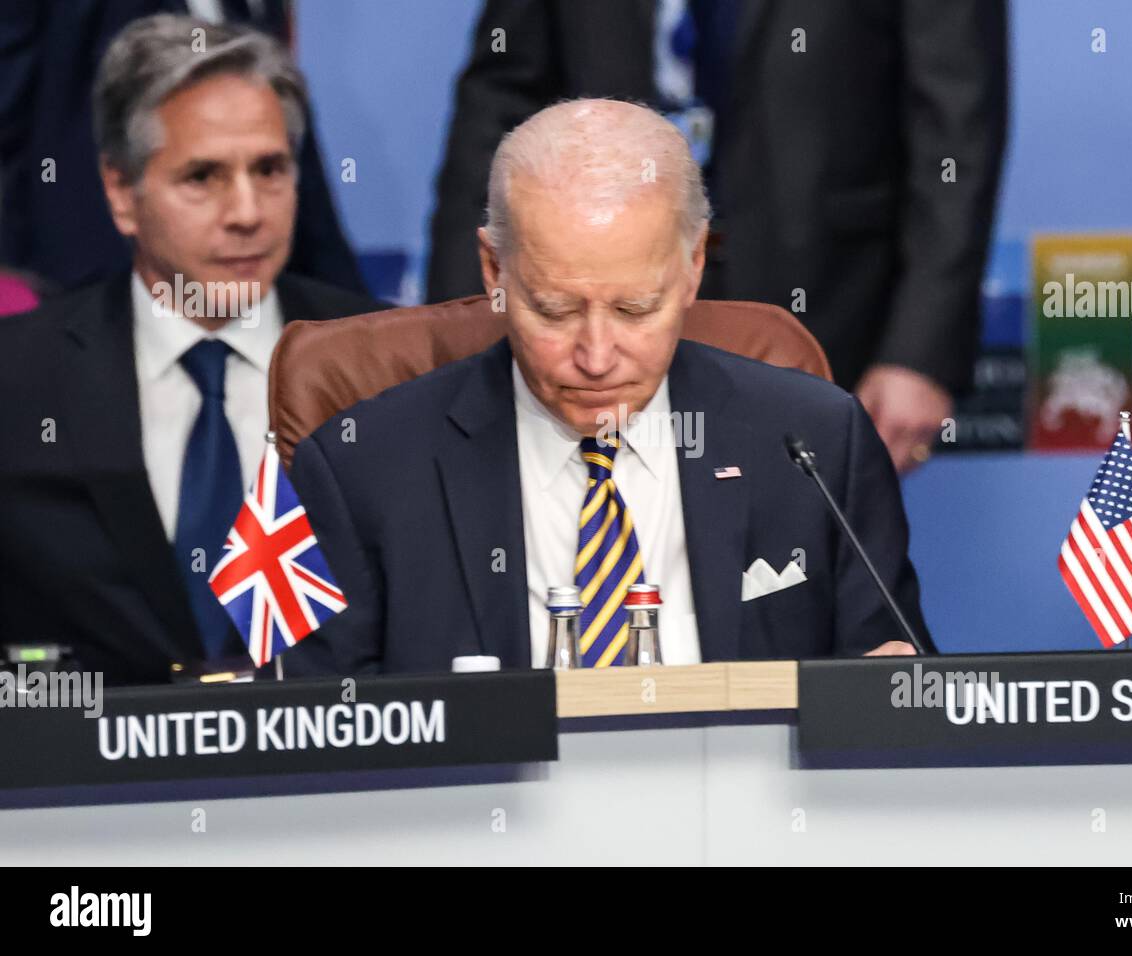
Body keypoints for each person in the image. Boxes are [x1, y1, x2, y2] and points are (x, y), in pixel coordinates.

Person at [286, 99, 930, 678]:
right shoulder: (358, 471)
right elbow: (304, 742)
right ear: (494, 271)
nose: (596, 358)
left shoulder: (817, 443)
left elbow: (895, 697)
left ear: (693, 266)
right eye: (556, 311)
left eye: (634, 310)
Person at [425, 0, 1007, 474]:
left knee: (788, 588)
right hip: (594, 305)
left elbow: (955, 126)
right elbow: (503, 99)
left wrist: (918, 352)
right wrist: (460, 323)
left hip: (828, 311)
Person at [0, 15, 385, 686]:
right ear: (122, 192)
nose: (247, 212)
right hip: (91, 783)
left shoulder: (387, 366)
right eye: (203, 177)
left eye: (270, 170)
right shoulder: (20, 380)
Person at [0, 0, 366, 295]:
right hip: (79, 288)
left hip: (260, 307)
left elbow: (291, 150)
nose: (247, 213)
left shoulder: (254, 13)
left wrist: (353, 314)